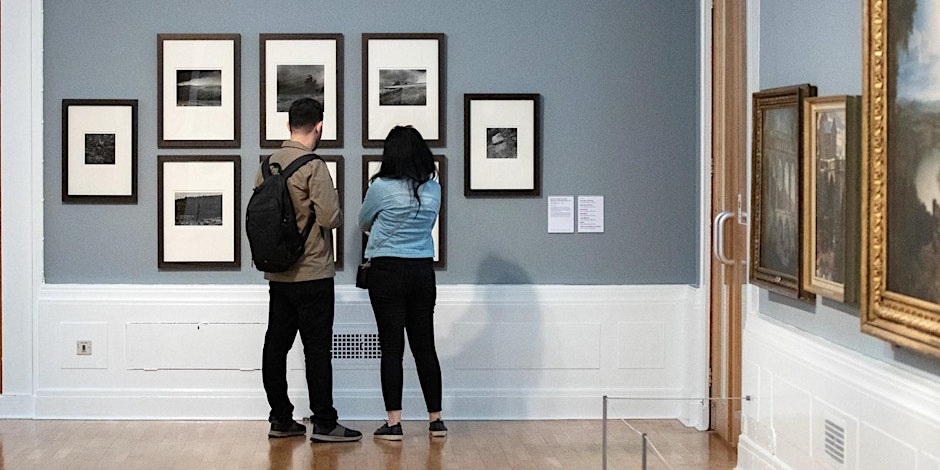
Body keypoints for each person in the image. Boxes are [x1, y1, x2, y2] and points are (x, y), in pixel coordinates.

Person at [258, 98, 361, 442]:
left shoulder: (267, 164)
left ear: (288, 126)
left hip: (278, 274)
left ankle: (280, 419)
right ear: (320, 126)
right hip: (313, 273)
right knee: (316, 349)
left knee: (276, 345)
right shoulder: (314, 166)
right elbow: (330, 218)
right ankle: (325, 423)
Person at [358, 126, 447, 441]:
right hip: (423, 270)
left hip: (388, 271)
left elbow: (363, 222)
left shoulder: (381, 187)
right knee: (425, 347)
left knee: (392, 348)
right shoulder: (434, 190)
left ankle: (393, 423)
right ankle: (436, 420)